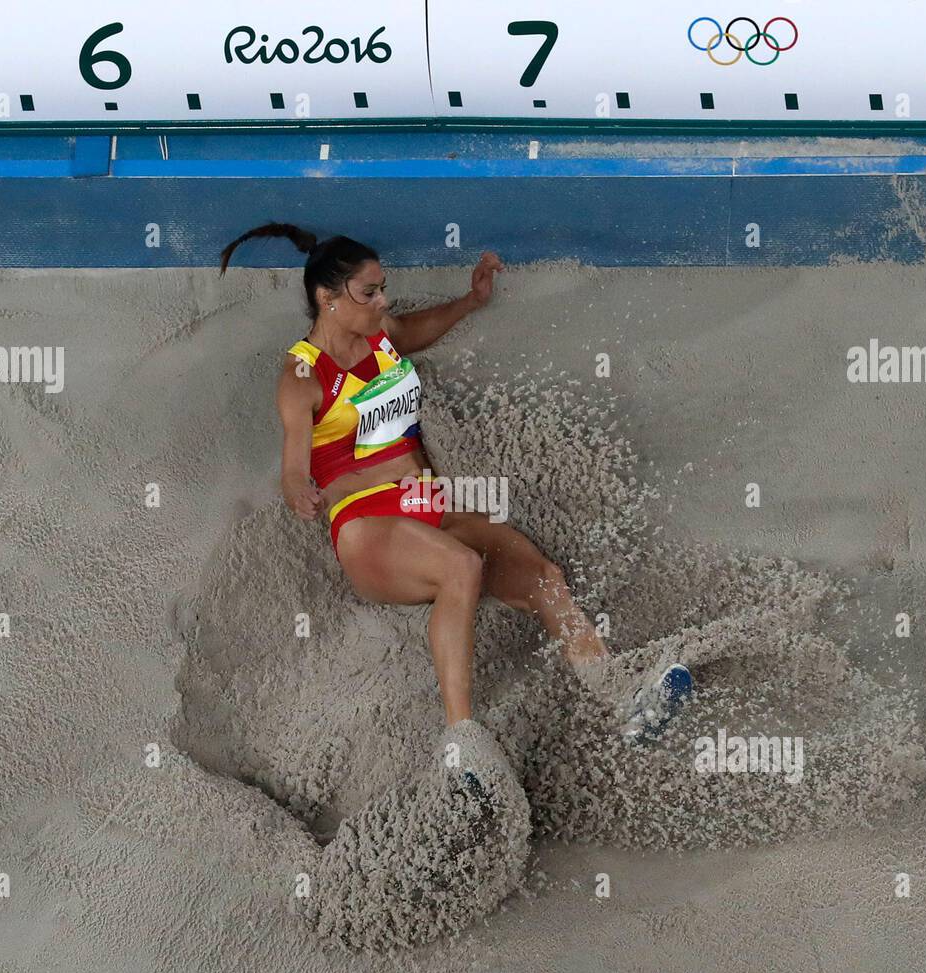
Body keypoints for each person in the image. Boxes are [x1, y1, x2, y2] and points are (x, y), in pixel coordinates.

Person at [220, 222, 691, 755]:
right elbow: (291, 465)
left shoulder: (378, 334)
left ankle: (620, 700)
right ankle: (461, 743)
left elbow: (412, 330)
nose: (383, 301)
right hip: (365, 524)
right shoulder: (302, 377)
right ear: (327, 297)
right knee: (461, 566)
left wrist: (470, 301)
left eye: (383, 288)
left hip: (426, 505)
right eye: (369, 292)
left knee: (542, 575)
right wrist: (295, 490)